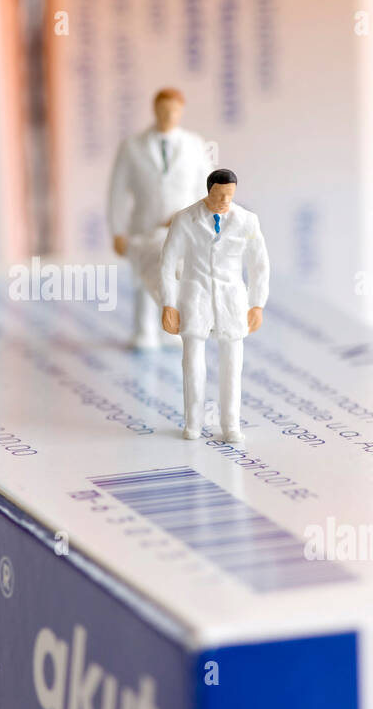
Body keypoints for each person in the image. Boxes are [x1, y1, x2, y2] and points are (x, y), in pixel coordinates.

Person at [159, 168, 270, 446]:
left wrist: (257, 304)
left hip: (231, 300)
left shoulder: (247, 220)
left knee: (232, 365)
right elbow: (168, 263)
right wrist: (168, 304)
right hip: (195, 296)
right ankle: (193, 422)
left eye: (229, 195)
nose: (224, 200)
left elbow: (259, 265)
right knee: (193, 364)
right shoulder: (185, 219)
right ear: (209, 190)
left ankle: (230, 424)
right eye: (219, 194)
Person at [107, 88, 212, 349]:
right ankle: (144, 330)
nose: (168, 115)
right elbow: (117, 192)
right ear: (154, 110)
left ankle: (173, 328)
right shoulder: (132, 146)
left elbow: (205, 188)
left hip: (182, 227)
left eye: (174, 111)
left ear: (181, 112)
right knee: (143, 277)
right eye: (163, 110)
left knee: (177, 276)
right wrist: (117, 230)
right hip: (144, 226)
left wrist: (201, 219)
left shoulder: (195, 145)